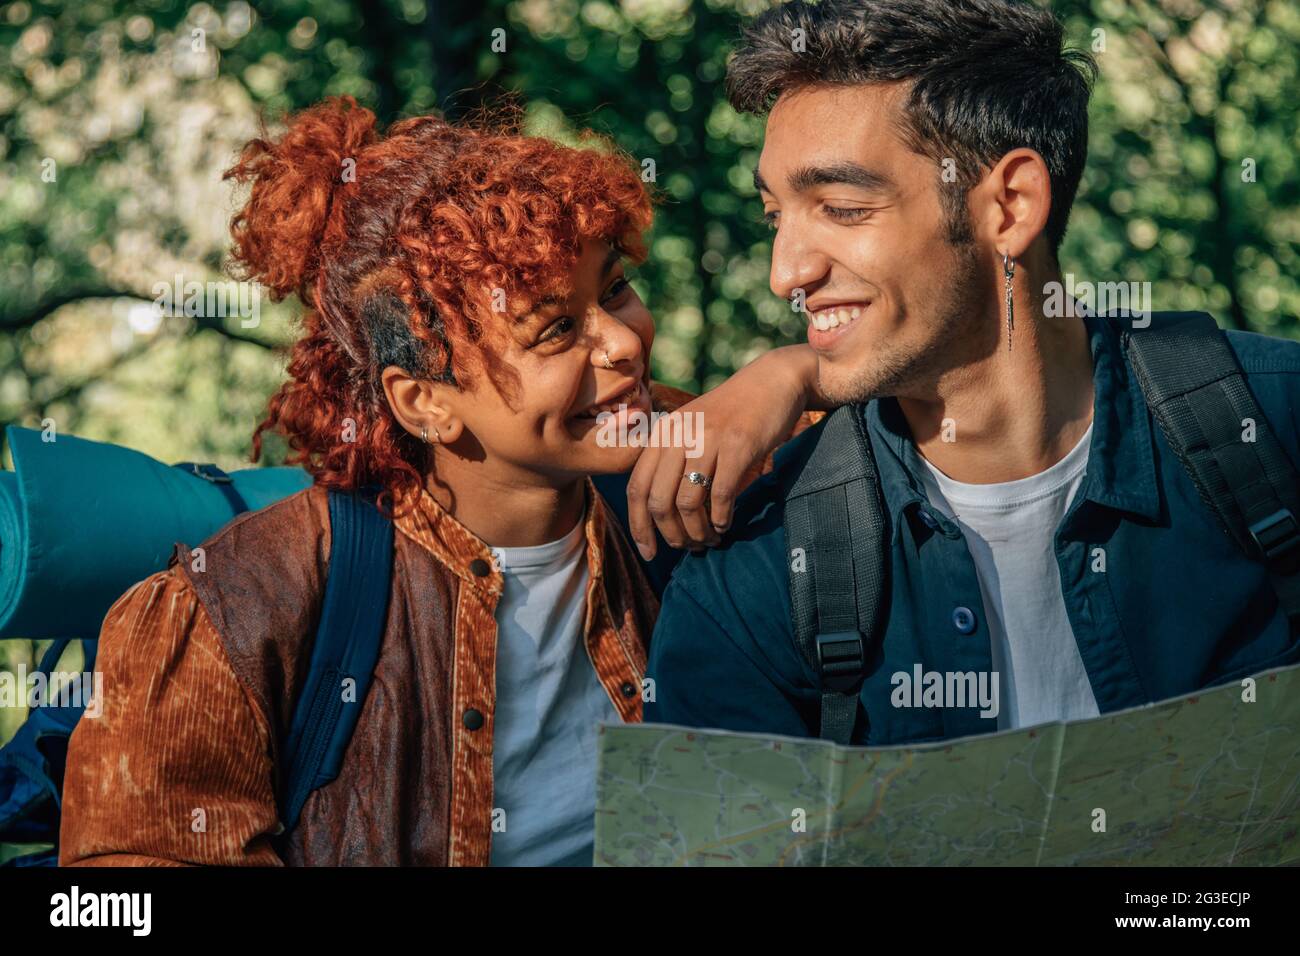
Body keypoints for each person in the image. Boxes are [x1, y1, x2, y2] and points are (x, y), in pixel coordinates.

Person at [58, 97, 825, 866]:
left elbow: (913, 428)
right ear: (426, 403)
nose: (623, 340)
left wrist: (793, 373)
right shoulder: (240, 605)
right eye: (556, 329)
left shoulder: (686, 460)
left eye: (615, 287)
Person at [646, 0, 1300, 744]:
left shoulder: (1272, 428)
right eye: (776, 215)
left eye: (842, 206)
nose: (785, 272)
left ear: (1011, 205)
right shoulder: (751, 578)